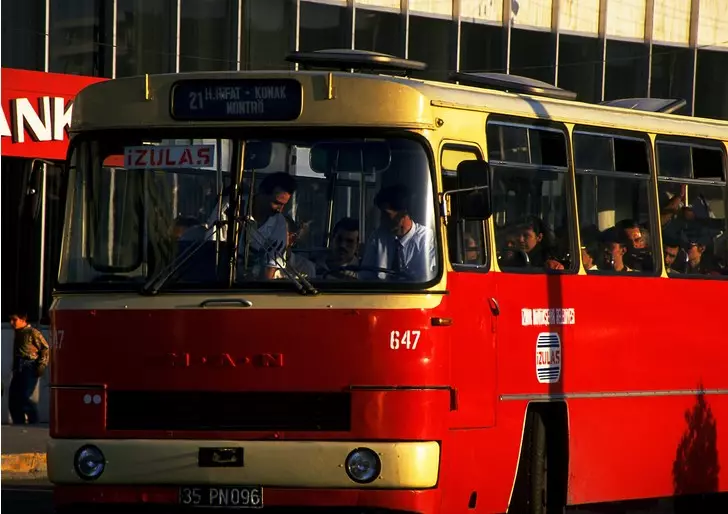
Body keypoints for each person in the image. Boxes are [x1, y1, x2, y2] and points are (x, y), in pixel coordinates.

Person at [206, 172, 298, 279]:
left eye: (283, 205)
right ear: (262, 192)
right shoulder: (230, 208)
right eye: (276, 203)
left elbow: (271, 265)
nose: (280, 209)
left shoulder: (280, 222)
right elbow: (214, 249)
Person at [359, 184, 436, 281]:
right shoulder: (378, 236)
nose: (382, 219)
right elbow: (365, 275)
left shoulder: (426, 238)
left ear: (403, 213)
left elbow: (425, 278)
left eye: (387, 215)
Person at [8, 311, 49, 425]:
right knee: (14, 397)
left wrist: (42, 364)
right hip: (19, 367)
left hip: (29, 366)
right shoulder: (19, 333)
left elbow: (45, 348)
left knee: (24, 396)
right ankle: (18, 422)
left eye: (15, 320)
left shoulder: (32, 332)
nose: (12, 323)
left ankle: (34, 421)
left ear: (23, 319)